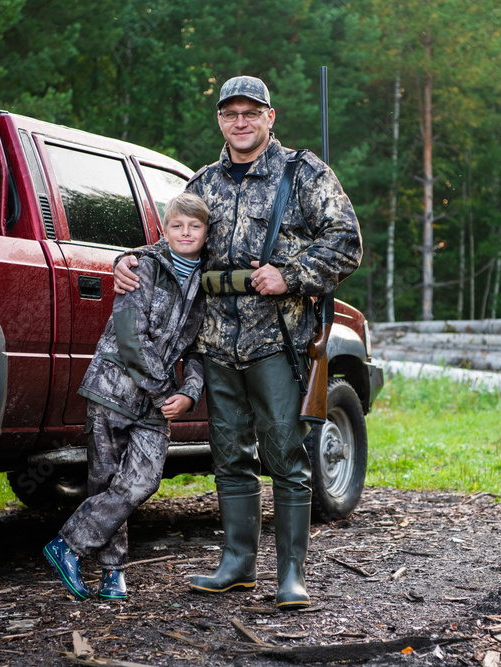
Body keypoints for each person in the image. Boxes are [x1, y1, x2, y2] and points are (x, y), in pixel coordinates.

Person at [113, 75, 362, 609]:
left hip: (279, 344)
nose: (241, 122)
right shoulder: (204, 182)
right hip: (217, 346)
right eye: (231, 113)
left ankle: (291, 575)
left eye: (252, 112)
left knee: (287, 459)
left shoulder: (304, 174)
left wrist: (289, 274)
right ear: (220, 120)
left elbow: (347, 243)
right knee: (229, 457)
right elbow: (176, 242)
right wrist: (130, 261)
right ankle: (237, 565)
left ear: (271, 117)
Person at [43, 192, 210, 601]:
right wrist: (165, 390)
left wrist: (188, 392)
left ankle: (67, 544)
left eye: (195, 226)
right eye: (177, 226)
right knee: (105, 481)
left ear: (207, 232)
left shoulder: (208, 284)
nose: (186, 233)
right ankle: (112, 573)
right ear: (164, 231)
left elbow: (202, 349)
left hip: (157, 400)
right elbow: (130, 339)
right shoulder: (143, 267)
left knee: (142, 481)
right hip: (113, 391)